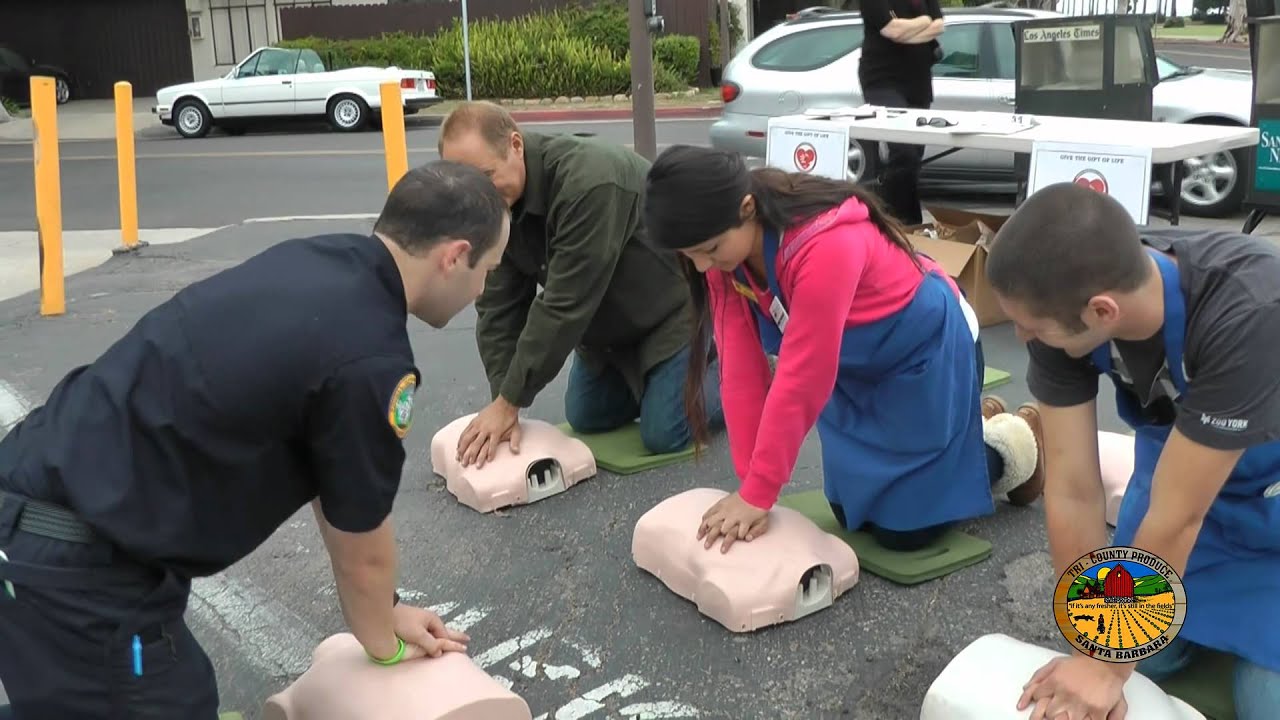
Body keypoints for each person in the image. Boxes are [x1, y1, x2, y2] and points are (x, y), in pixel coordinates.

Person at [0, 160, 509, 719]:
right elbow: (363, 553)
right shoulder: (371, 361)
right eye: (488, 268)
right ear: (454, 255)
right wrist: (385, 646)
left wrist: (383, 611)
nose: (484, 289)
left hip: (52, 492)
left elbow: (334, 484)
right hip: (75, 557)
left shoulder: (316, 261)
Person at [640, 145, 1045, 554]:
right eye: (690, 256)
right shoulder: (725, 259)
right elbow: (741, 372)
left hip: (923, 356)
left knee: (906, 534)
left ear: (747, 208)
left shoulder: (825, 242)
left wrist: (759, 493)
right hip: (853, 369)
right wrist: (752, 488)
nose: (704, 267)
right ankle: (971, 422)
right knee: (850, 512)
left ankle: (1015, 444)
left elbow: (801, 379)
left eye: (709, 250)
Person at [985, 182, 1280, 720]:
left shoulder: (1250, 312)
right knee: (1145, 658)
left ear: (1102, 312)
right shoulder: (1064, 294)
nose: (1022, 338)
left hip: (1267, 503)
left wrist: (1106, 668)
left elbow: (1179, 515)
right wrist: (1091, 646)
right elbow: (1073, 490)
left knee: (1265, 700)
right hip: (1179, 479)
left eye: (1031, 328)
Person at [436, 101, 724, 468]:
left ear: (516, 145)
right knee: (587, 417)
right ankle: (664, 385)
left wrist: (511, 402)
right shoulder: (497, 210)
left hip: (669, 313)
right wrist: (501, 400)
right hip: (607, 329)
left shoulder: (589, 180)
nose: (480, 198)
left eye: (487, 176)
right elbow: (499, 308)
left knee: (665, 433)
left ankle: (738, 373)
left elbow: (564, 303)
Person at [856, 0, 945, 225]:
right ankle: (904, 221)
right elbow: (891, 29)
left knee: (913, 157)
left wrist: (908, 30)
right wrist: (923, 22)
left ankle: (895, 221)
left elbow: (939, 26)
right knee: (903, 151)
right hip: (882, 80)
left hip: (918, 82)